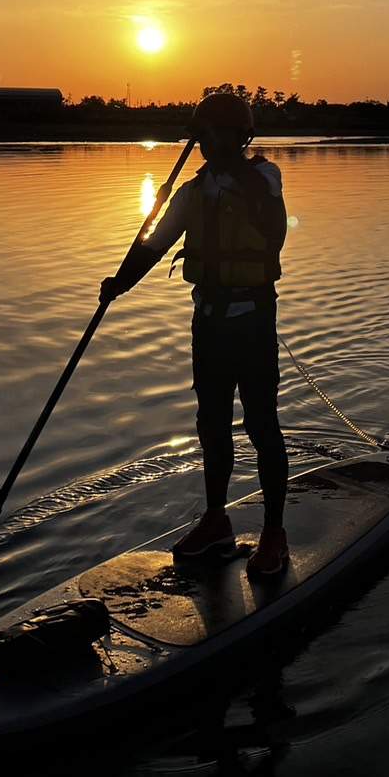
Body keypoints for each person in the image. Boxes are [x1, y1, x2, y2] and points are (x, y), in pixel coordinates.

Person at [100, 92, 290, 579]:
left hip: (252, 319)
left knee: (261, 423)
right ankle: (216, 520)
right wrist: (119, 283)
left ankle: (274, 533)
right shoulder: (192, 193)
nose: (210, 144)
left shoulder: (263, 177)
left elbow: (270, 223)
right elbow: (153, 244)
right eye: (205, 136)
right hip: (208, 323)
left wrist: (228, 165)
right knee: (212, 424)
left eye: (220, 135)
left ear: (239, 137)